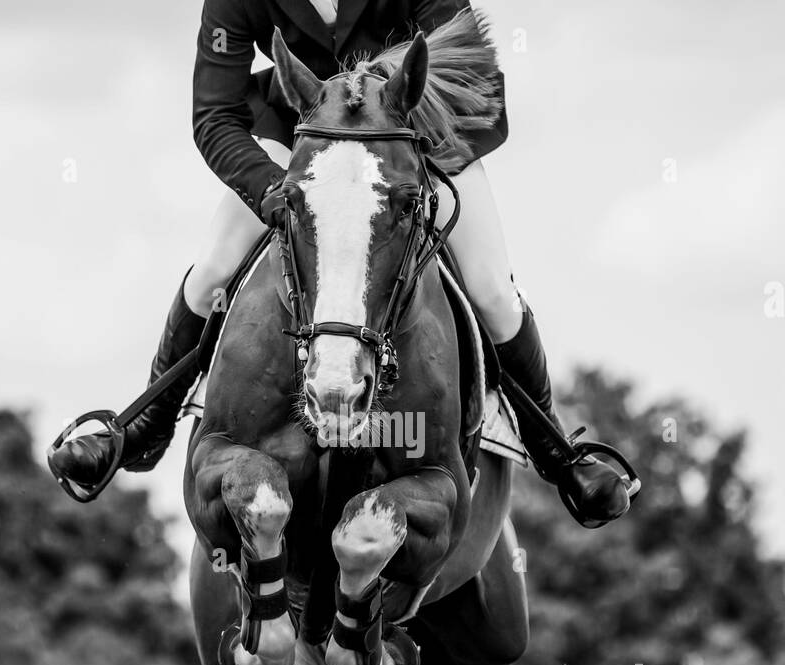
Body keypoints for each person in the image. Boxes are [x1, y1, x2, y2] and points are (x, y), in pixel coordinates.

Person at [51, 0, 631, 527]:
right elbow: (216, 116)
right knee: (213, 270)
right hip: (299, 140)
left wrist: (375, 134)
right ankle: (142, 428)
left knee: (491, 292)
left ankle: (560, 456)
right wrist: (275, 190)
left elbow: (464, 61)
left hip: (416, 135)